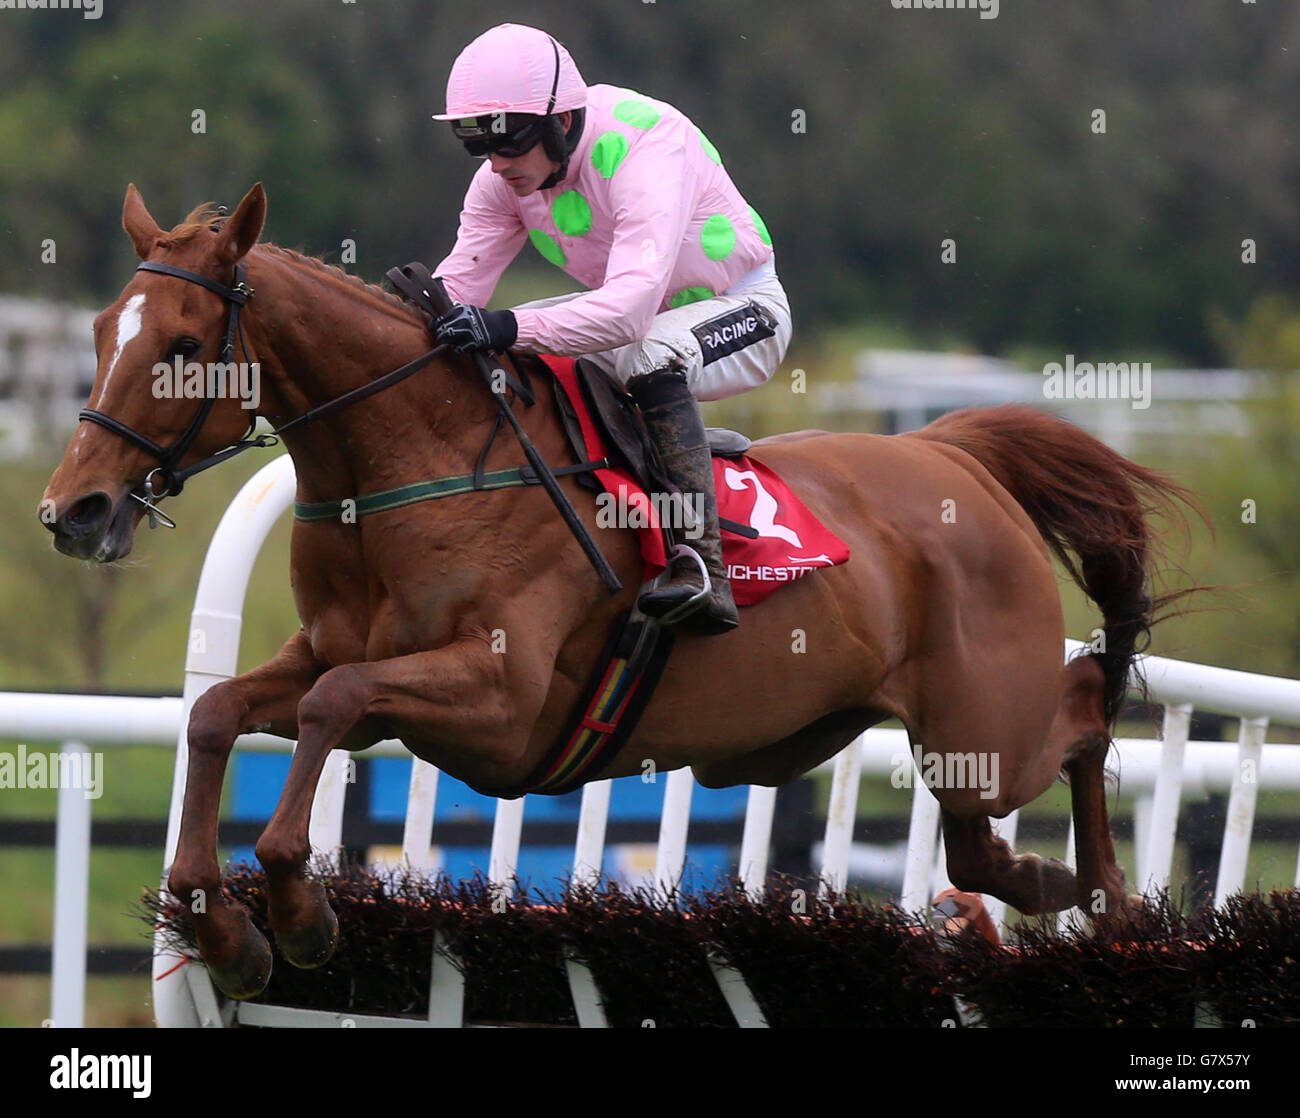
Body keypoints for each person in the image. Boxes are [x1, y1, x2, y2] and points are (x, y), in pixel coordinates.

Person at [430, 22, 792, 634]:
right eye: (480, 147)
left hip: (745, 309)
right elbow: (456, 294)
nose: (496, 164)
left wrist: (505, 324)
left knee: (646, 355)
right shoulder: (503, 180)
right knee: (519, 361)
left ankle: (700, 564)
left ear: (561, 123)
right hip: (638, 321)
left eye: (510, 144)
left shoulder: (648, 141)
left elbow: (627, 312)